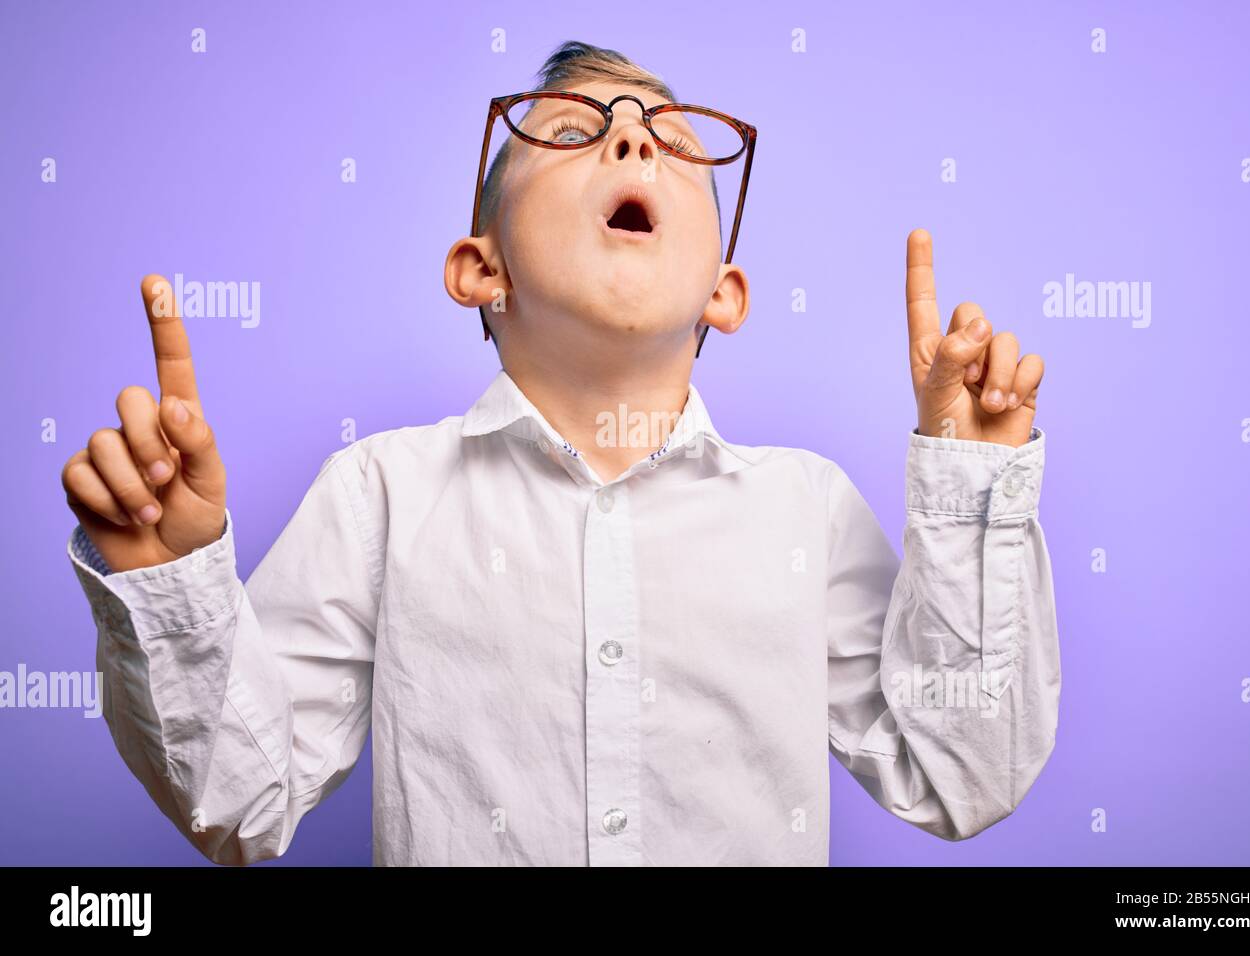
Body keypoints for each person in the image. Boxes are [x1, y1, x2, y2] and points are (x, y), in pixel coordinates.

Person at [60, 41, 1059, 866]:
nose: (630, 136)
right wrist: (170, 580)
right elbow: (239, 803)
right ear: (478, 267)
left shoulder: (808, 509)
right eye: (576, 132)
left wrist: (972, 493)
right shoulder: (382, 491)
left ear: (725, 289)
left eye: (668, 141)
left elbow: (960, 772)